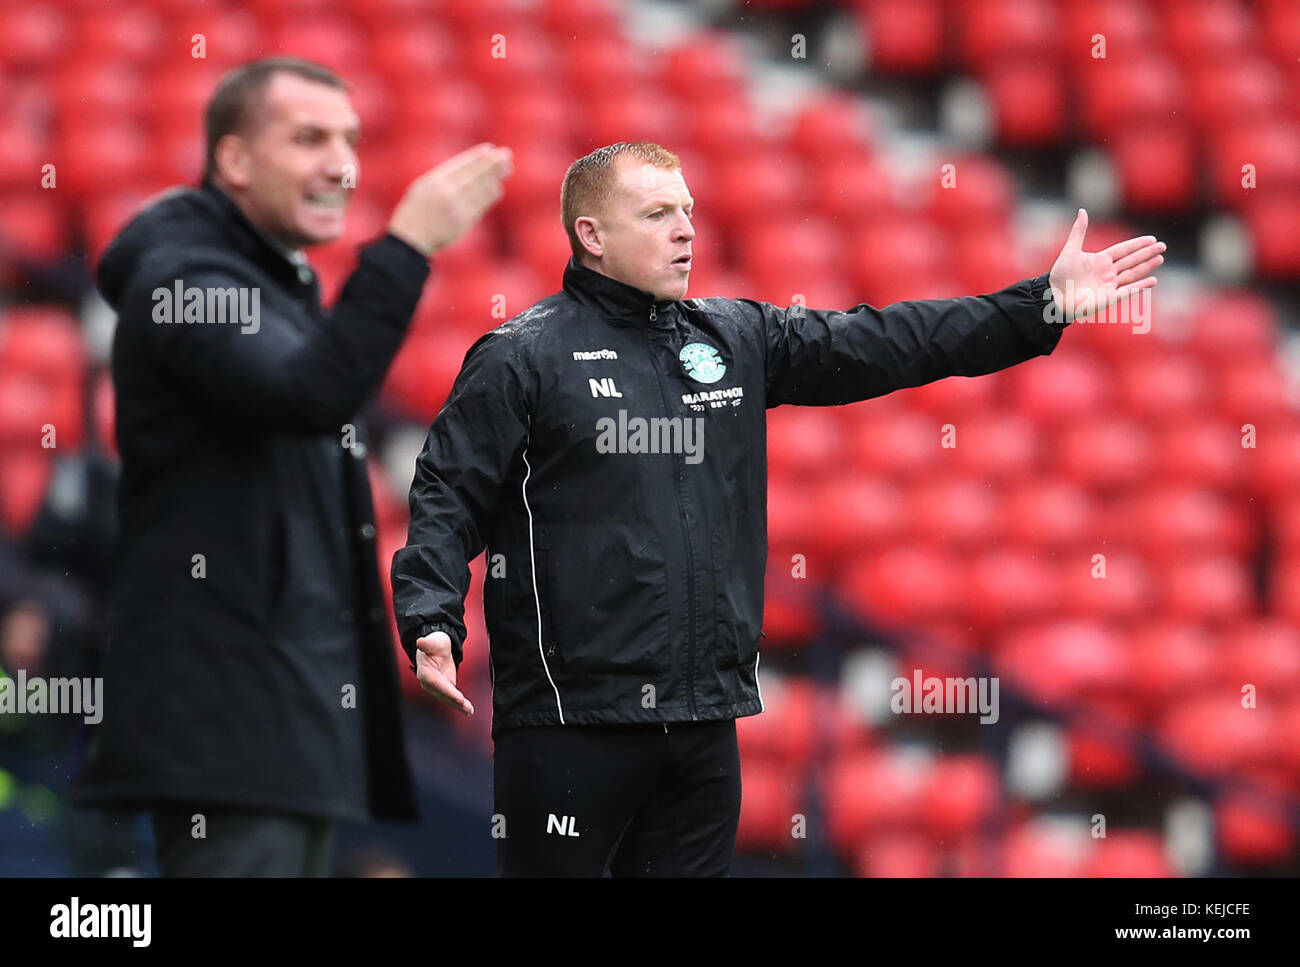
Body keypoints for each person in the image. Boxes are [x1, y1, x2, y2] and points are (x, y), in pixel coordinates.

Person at [390, 141, 1164, 876]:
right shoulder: (522, 356)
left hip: (703, 725)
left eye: (688, 211)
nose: (685, 229)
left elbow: (889, 341)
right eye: (657, 214)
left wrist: (1041, 306)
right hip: (570, 723)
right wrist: (431, 615)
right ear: (591, 235)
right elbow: (447, 491)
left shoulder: (732, 337)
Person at [71, 56, 512, 876]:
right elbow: (309, 391)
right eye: (310, 139)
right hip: (226, 726)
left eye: (349, 140)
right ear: (235, 158)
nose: (341, 164)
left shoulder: (273, 280)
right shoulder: (185, 277)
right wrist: (406, 247)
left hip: (285, 728)